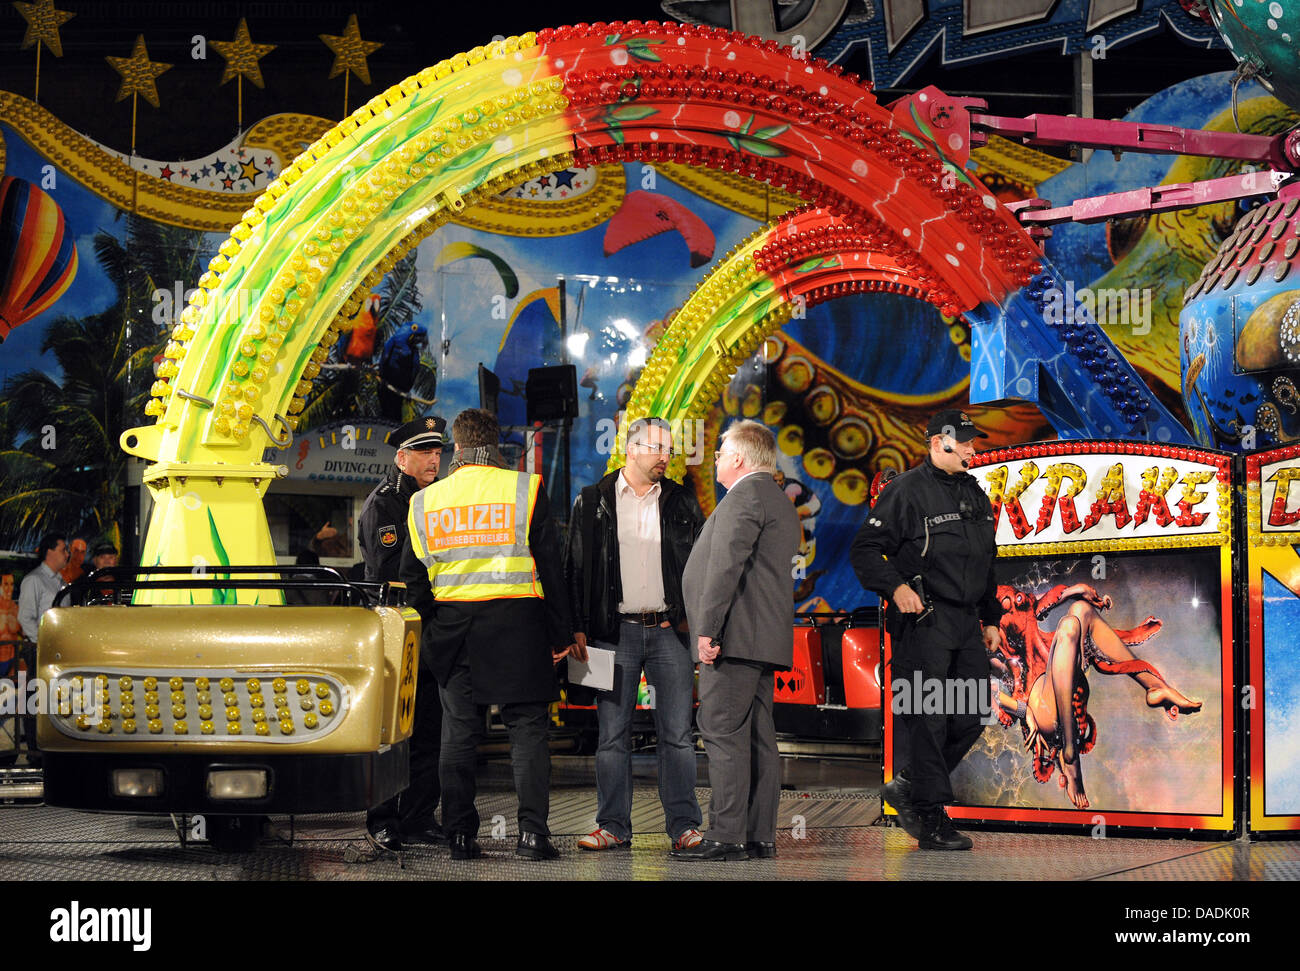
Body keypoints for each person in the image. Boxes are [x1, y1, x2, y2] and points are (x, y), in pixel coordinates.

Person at [399, 408, 579, 861]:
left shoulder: (424, 502)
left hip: (454, 632)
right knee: (527, 734)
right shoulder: (525, 488)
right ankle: (533, 837)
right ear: (494, 445)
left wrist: (435, 631)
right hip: (520, 628)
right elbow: (551, 569)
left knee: (458, 736)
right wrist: (562, 634)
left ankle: (459, 835)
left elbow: (413, 582)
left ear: (457, 448)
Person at [850, 408, 1003, 851]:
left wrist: (990, 616)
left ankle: (909, 786)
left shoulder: (976, 494)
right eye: (968, 441)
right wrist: (895, 587)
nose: (975, 448)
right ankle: (933, 821)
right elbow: (865, 551)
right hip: (923, 622)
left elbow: (987, 561)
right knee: (930, 720)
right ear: (939, 443)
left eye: (975, 441)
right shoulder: (905, 491)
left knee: (973, 716)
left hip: (966, 622)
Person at [564, 416, 705, 853]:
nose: (666, 456)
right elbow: (573, 569)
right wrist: (576, 628)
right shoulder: (592, 501)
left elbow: (700, 568)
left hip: (669, 633)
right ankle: (612, 827)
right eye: (658, 448)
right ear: (632, 448)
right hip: (611, 634)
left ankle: (684, 827)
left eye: (669, 449)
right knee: (611, 735)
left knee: (678, 736)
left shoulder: (682, 501)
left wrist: (691, 622)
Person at [672, 420, 800, 862]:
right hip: (761, 641)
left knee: (723, 734)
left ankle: (726, 836)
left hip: (734, 639)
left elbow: (725, 566)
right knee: (758, 740)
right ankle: (757, 836)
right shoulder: (778, 500)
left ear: (741, 459)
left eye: (722, 452)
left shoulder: (744, 496)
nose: (717, 459)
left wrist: (707, 630)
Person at [356, 415, 448, 853]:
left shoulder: (438, 499)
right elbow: (394, 575)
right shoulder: (386, 505)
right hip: (397, 632)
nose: (435, 459)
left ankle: (418, 816)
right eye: (425, 452)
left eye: (438, 452)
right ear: (401, 457)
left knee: (430, 729)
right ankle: (383, 819)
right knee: (393, 734)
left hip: (432, 630)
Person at [18, 533, 69, 642]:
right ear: (49, 552)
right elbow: (25, 618)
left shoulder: (62, 583)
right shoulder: (34, 580)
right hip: (42, 652)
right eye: (63, 550)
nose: (67, 555)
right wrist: (43, 643)